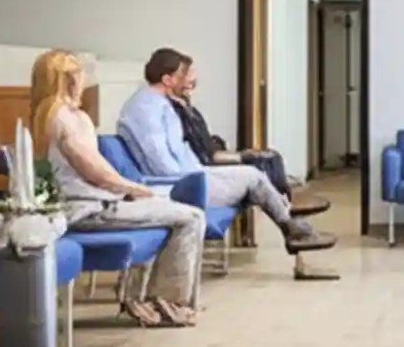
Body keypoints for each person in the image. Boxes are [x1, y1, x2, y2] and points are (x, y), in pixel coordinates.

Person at [30, 49, 205, 328]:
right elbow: (94, 170)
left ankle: (143, 298)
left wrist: (130, 189)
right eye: (77, 74)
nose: (83, 80)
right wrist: (133, 188)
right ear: (67, 79)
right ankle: (170, 302)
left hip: (101, 200)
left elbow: (100, 167)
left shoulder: (71, 116)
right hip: (87, 208)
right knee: (191, 217)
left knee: (170, 209)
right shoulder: (60, 117)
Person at [117, 48, 335, 254]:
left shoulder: (157, 104)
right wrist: (196, 177)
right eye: (182, 74)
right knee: (253, 178)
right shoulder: (146, 110)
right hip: (178, 185)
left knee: (254, 175)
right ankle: (292, 228)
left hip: (190, 175)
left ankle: (290, 224)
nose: (188, 80)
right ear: (167, 79)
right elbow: (160, 162)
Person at [169, 74, 329, 215]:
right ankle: (283, 203)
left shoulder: (191, 110)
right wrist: (239, 156)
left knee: (271, 155)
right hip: (208, 161)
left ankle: (283, 200)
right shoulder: (177, 113)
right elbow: (205, 154)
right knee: (267, 159)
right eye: (187, 75)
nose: (192, 81)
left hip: (212, 153)